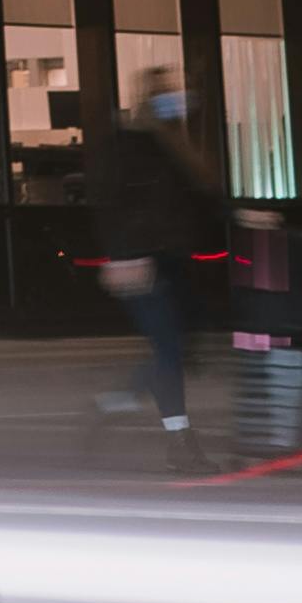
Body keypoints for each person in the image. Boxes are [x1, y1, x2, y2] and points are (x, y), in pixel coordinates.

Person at [92, 74, 217, 444]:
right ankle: (181, 441)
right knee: (169, 349)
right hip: (139, 261)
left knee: (178, 347)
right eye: (160, 96)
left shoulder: (175, 146)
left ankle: (115, 402)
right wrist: (122, 257)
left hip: (175, 260)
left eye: (171, 96)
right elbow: (112, 205)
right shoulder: (127, 145)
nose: (169, 103)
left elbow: (198, 198)